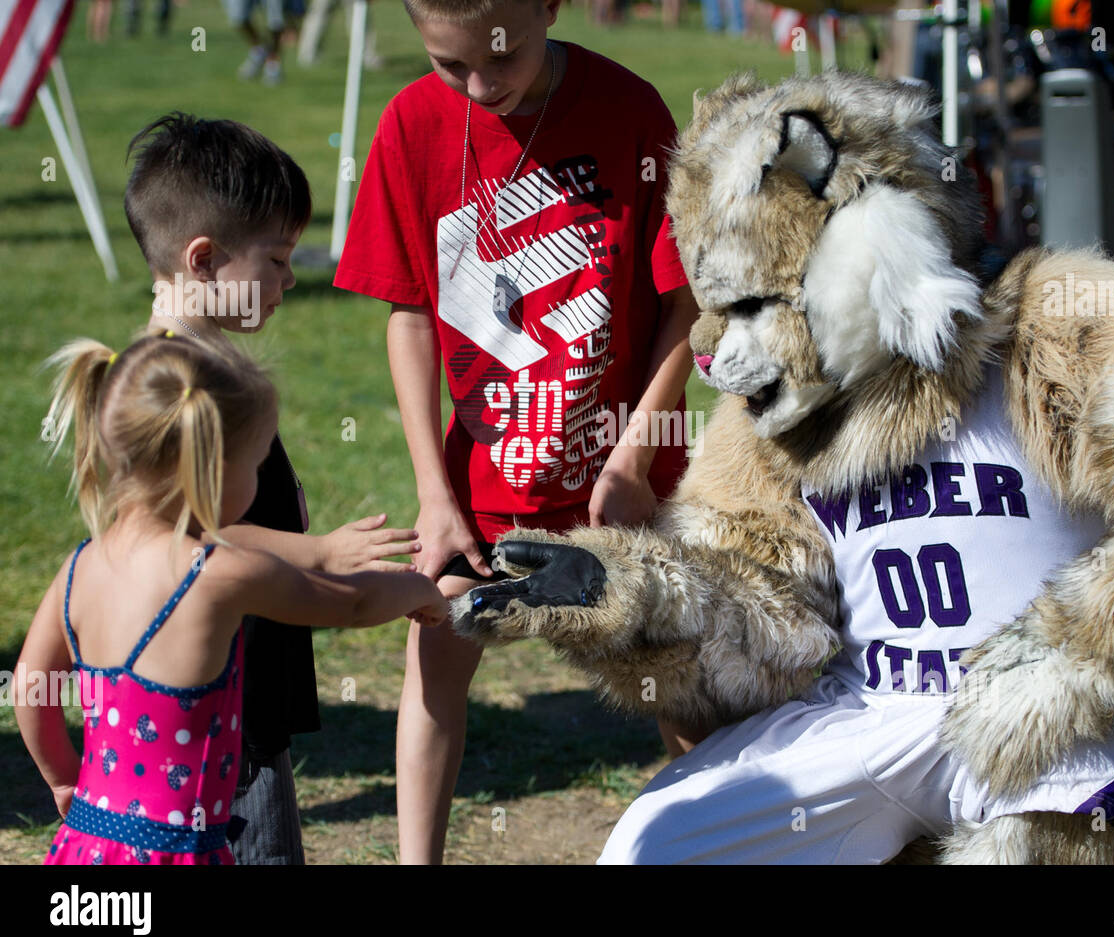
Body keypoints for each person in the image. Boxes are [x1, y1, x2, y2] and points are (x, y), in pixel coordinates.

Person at [333, 0, 700, 863]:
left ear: (547, 8)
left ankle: (711, 846)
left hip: (624, 478)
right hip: (481, 490)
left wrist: (636, 454)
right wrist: (434, 496)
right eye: (446, 64)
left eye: (496, 62)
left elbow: (684, 301)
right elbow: (411, 315)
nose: (476, 86)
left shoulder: (630, 110)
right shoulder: (413, 123)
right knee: (434, 676)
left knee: (685, 688)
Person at [16, 334, 448, 865]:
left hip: (85, 843)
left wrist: (63, 780)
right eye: (257, 461)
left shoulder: (79, 565)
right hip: (175, 852)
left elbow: (32, 687)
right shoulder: (219, 574)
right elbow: (351, 604)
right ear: (214, 469)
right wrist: (421, 588)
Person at [127, 112, 424, 864]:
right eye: (277, 258)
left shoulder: (186, 368)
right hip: (225, 712)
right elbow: (184, 536)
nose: (292, 280)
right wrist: (319, 550)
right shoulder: (180, 386)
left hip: (237, 696)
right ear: (204, 258)